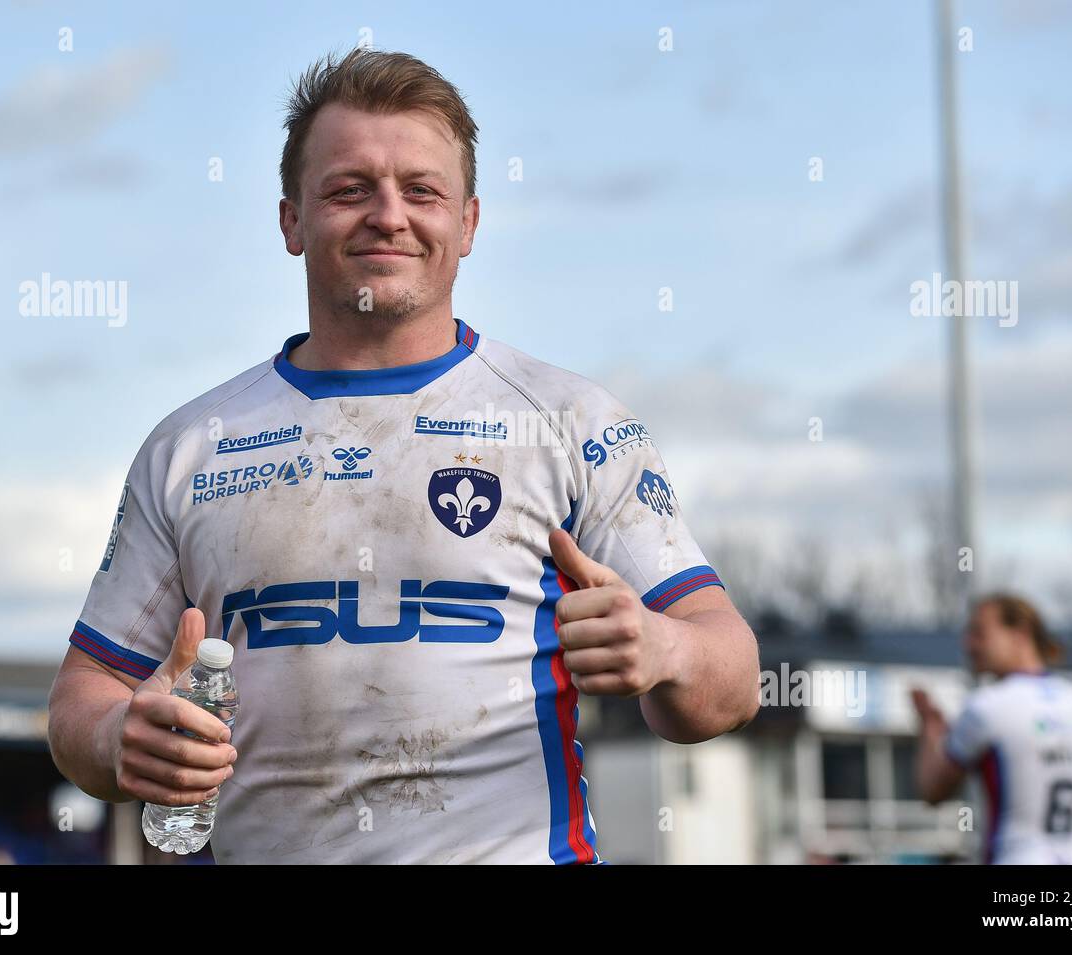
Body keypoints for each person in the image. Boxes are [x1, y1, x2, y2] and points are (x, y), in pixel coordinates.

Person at [47, 47, 760, 864]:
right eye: (350, 189)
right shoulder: (191, 448)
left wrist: (664, 647)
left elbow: (730, 680)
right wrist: (118, 739)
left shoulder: (571, 422)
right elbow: (80, 700)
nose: (389, 214)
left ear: (468, 222)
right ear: (290, 219)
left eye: (421, 190)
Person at [911, 593, 1072, 864]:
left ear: (1020, 633)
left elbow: (932, 791)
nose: (968, 644)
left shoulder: (987, 706)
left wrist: (929, 726)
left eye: (979, 632)